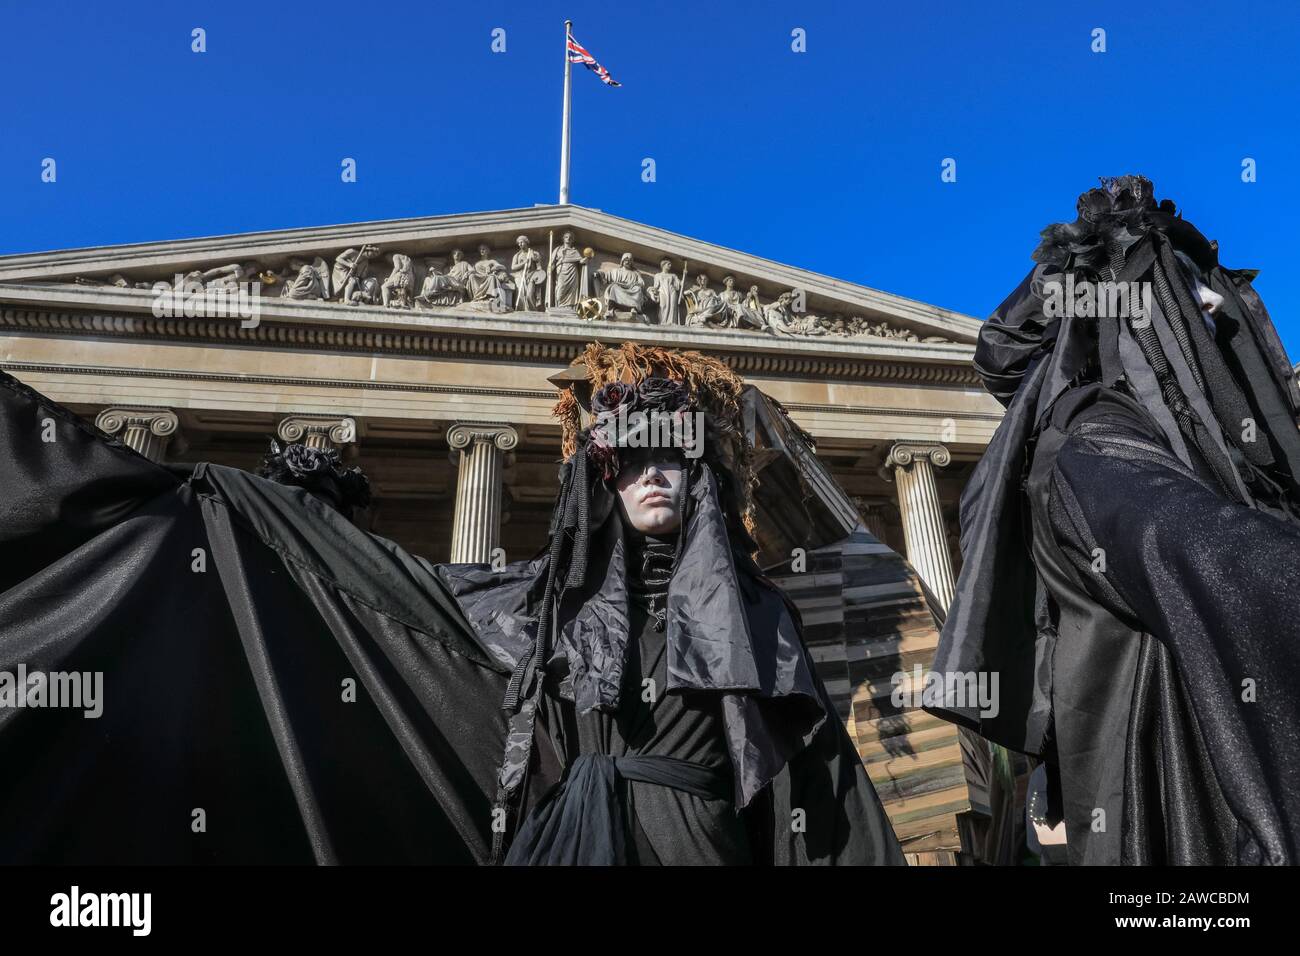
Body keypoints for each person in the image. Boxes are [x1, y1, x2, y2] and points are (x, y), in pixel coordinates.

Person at [0, 342, 903, 866]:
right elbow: (417, 606)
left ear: (701, 477)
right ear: (606, 479)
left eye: (672, 457)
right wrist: (285, 525)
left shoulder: (753, 611)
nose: (652, 475)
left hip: (692, 841)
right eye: (628, 460)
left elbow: (816, 782)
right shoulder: (551, 604)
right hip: (570, 841)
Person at [927, 176, 1300, 865]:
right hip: (1173, 806)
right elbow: (1189, 540)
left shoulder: (1173, 448)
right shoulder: (1094, 437)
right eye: (1187, 285)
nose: (1216, 302)